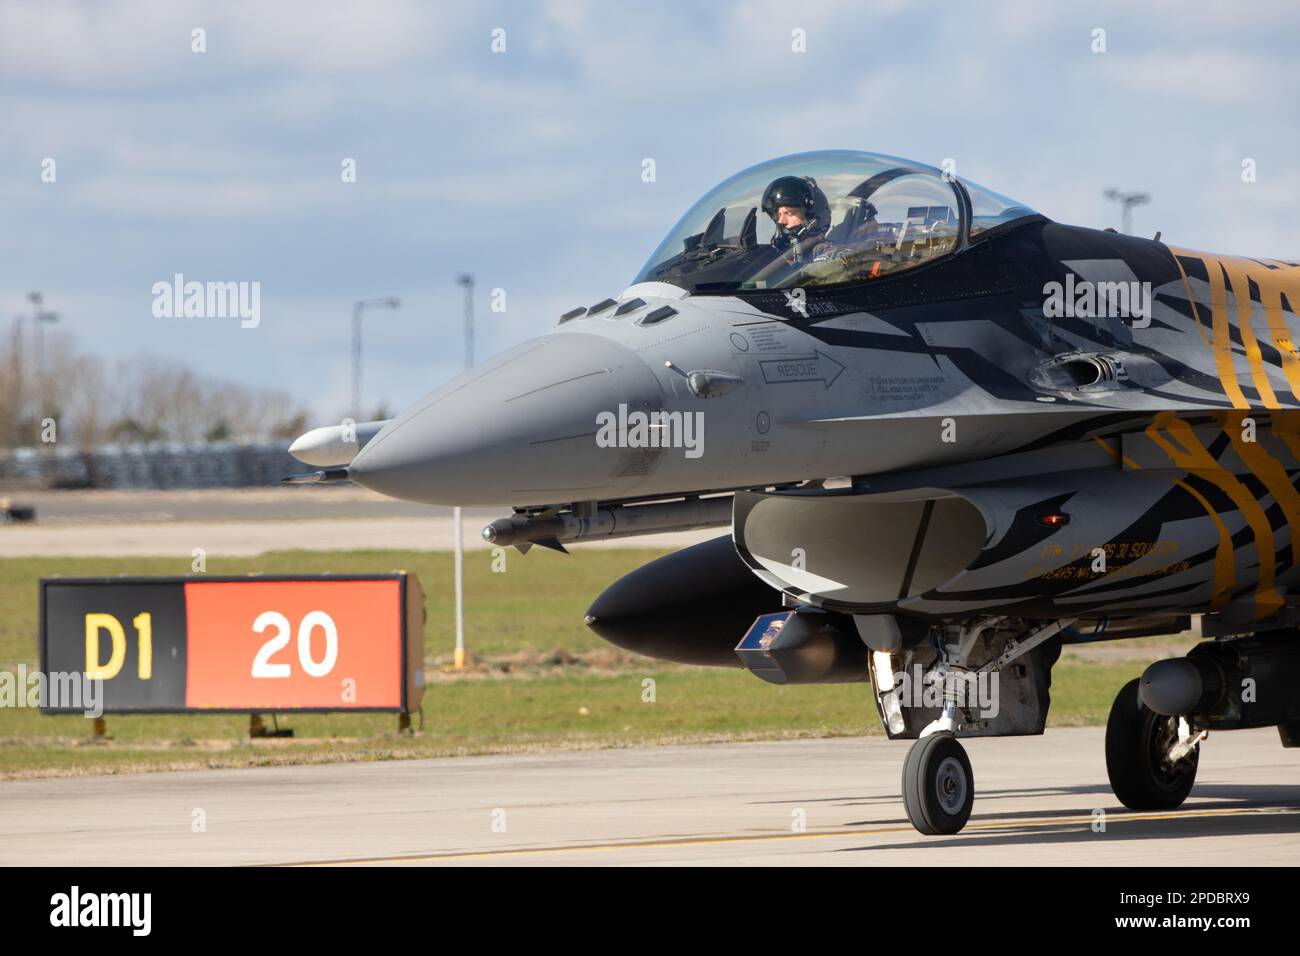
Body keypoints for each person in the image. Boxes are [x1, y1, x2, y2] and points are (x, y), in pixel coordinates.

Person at [760, 176, 831, 263]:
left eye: (789, 213)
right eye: (779, 215)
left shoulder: (831, 255)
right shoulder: (783, 257)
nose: (781, 221)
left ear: (812, 219)